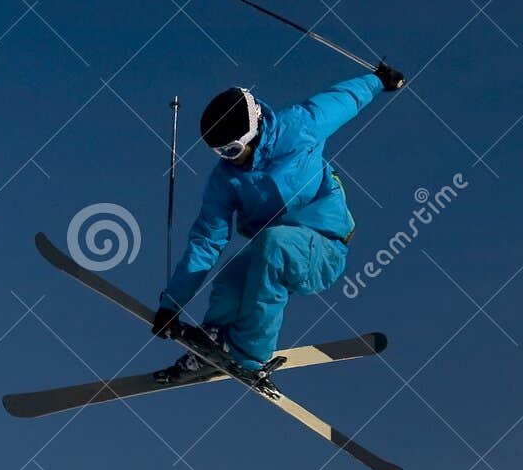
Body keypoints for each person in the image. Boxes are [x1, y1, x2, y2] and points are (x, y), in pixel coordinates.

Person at [151, 63, 405, 383]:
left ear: (252, 133)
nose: (228, 159)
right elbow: (206, 241)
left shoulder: (299, 127)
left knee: (274, 245)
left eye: (231, 149)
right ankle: (213, 342)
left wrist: (378, 80)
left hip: (323, 245)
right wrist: (172, 303)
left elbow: (342, 99)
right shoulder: (225, 180)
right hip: (270, 248)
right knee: (230, 282)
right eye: (219, 152)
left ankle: (250, 354)